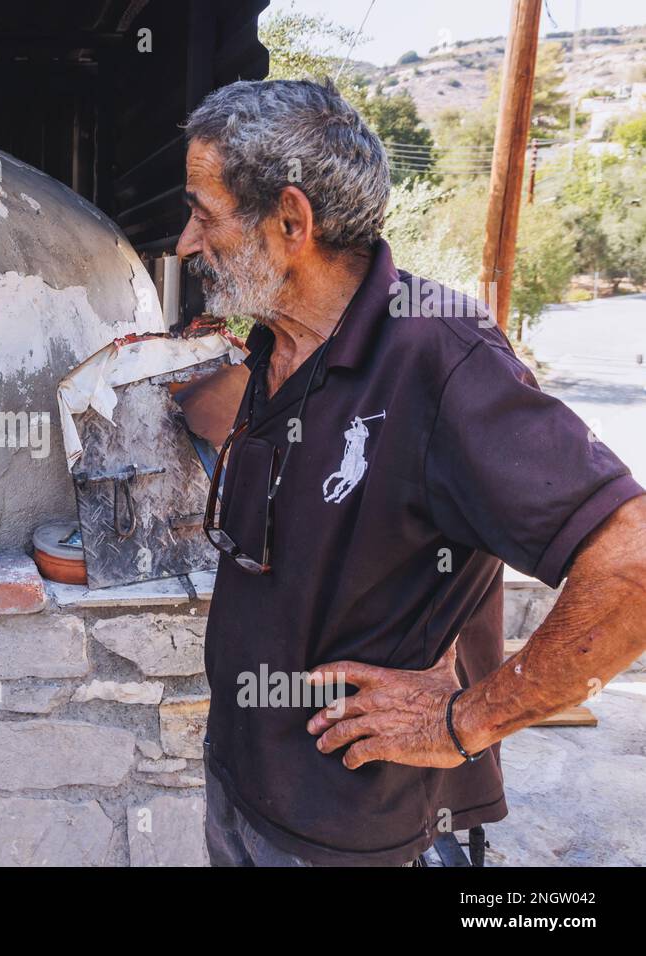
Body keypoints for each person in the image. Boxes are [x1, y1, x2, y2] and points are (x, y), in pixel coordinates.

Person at [175, 78, 646, 866]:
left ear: (292, 220)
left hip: (355, 833)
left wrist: (464, 721)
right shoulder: (276, 341)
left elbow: (632, 564)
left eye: (203, 213)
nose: (187, 242)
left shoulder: (440, 356)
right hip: (240, 784)